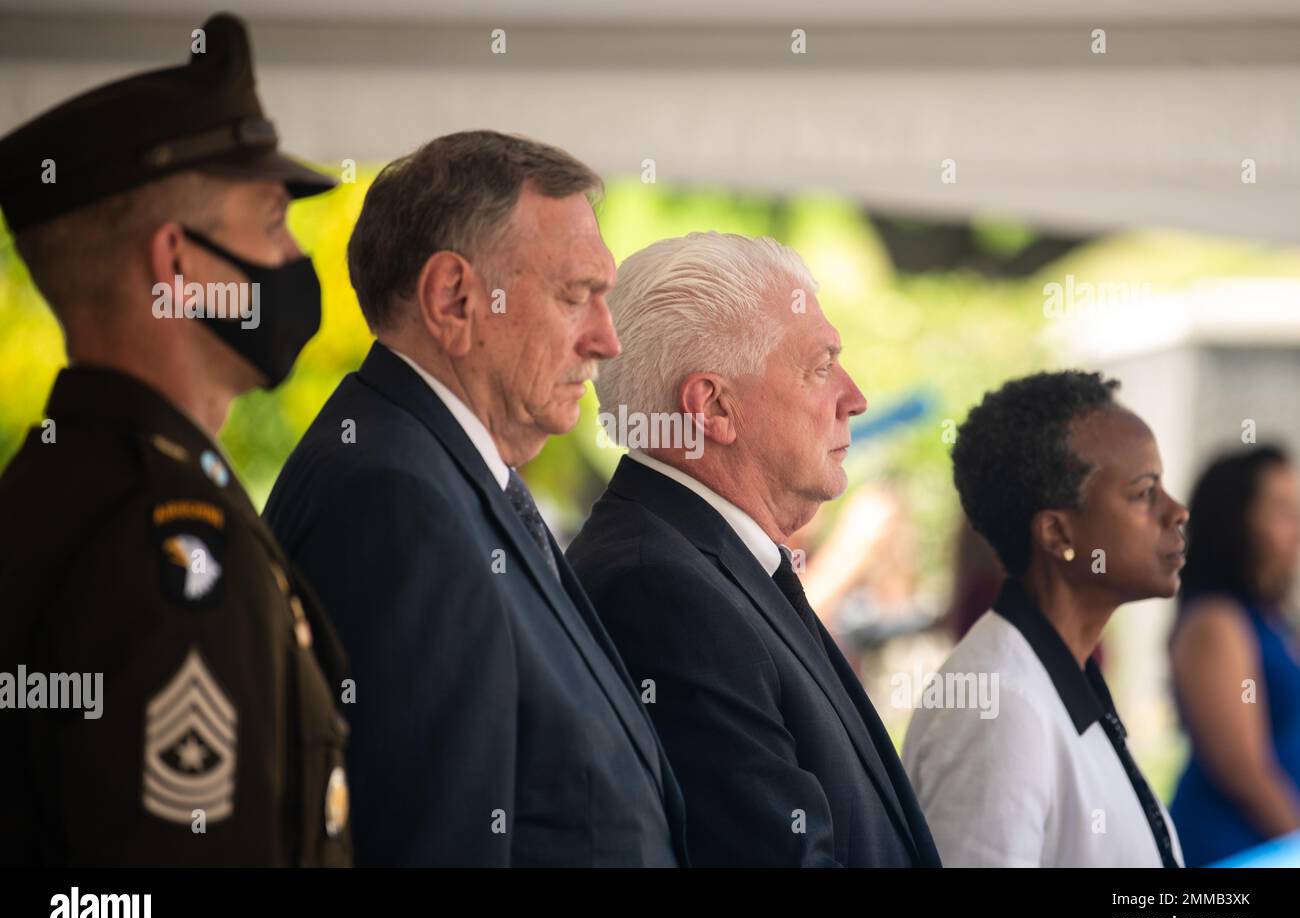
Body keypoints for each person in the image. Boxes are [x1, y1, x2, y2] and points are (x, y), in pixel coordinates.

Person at [264, 130, 688, 867]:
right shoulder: (395, 500)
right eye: (574, 296)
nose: (606, 339)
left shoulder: (436, 471)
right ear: (453, 298)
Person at [0, 13, 352, 865]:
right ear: (178, 264)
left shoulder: (68, 480)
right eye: (270, 223)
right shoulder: (162, 542)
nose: (294, 257)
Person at [566, 232, 941, 867]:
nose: (855, 398)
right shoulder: (660, 588)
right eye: (821, 367)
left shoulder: (701, 562)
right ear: (713, 406)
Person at [902, 371, 1187, 867]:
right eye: (1144, 493)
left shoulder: (1052, 676)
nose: (1177, 512)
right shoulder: (998, 707)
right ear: (1057, 534)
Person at [1168, 445, 1300, 865]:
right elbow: (1242, 771)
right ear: (1237, 521)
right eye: (1282, 511)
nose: (1297, 528)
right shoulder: (1216, 621)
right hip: (1235, 849)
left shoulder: (1270, 619)